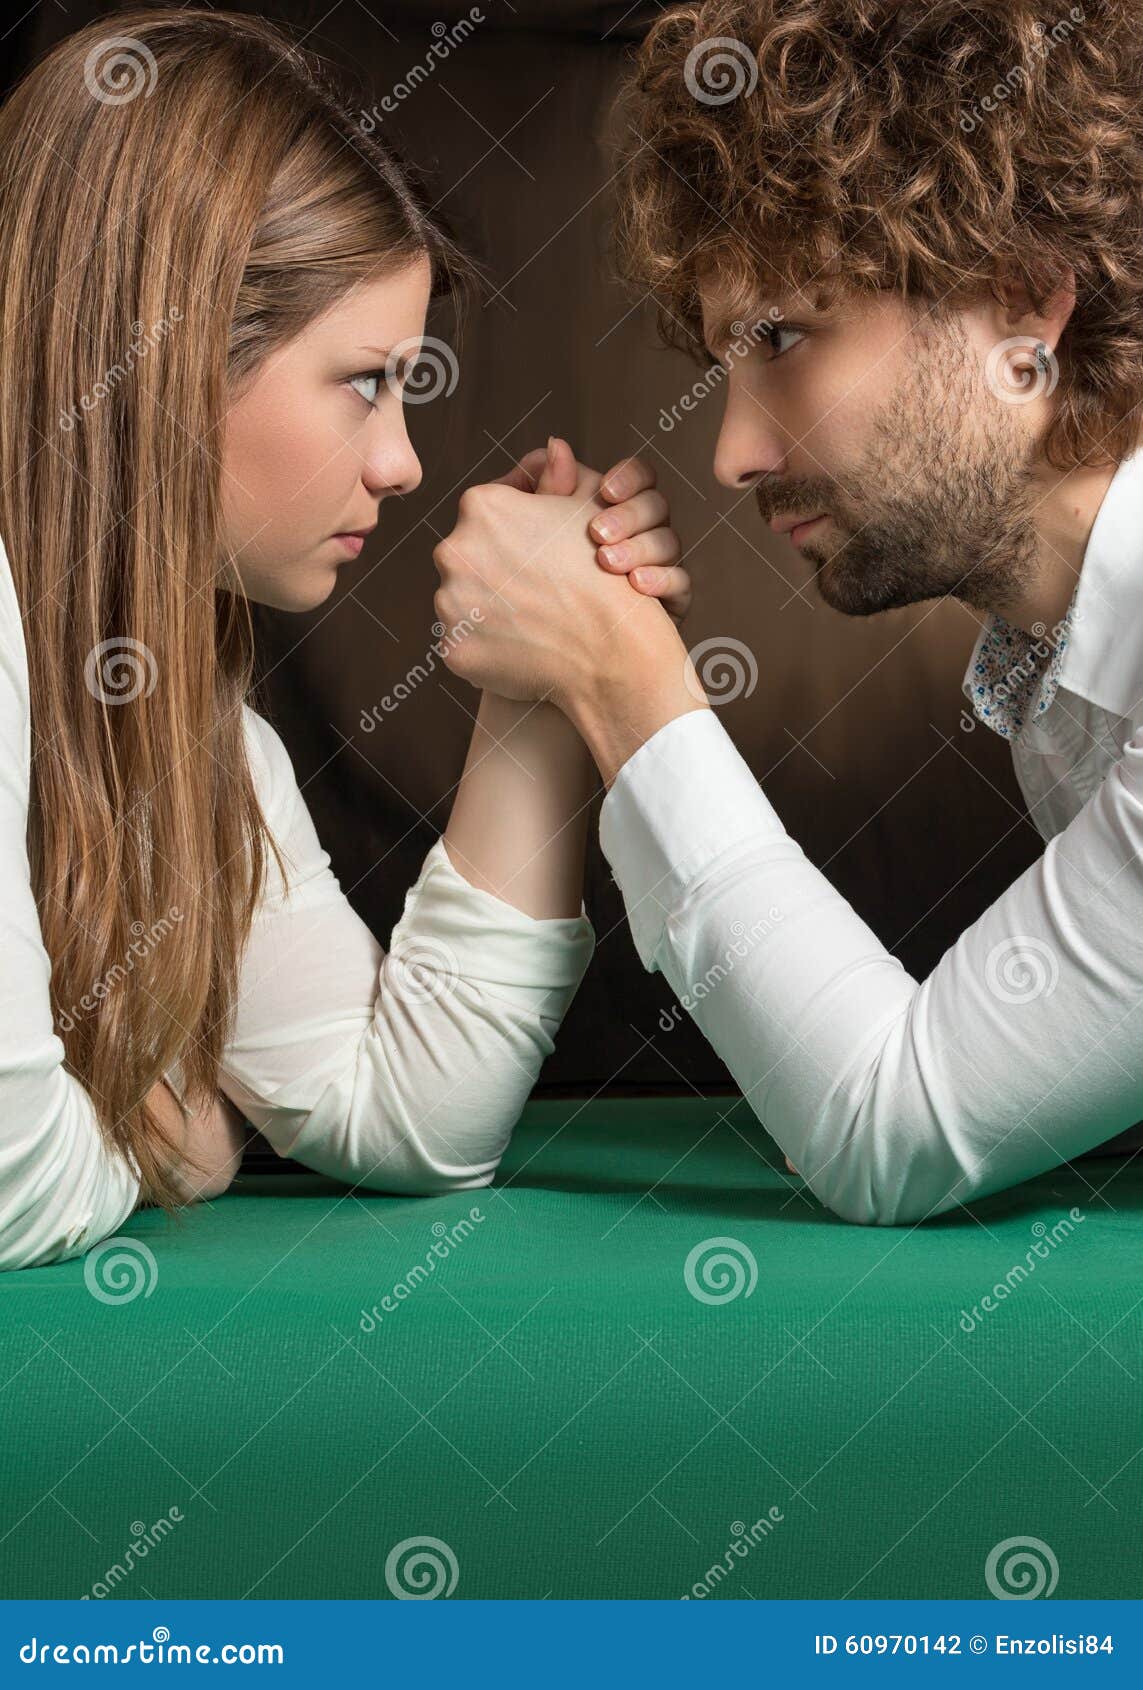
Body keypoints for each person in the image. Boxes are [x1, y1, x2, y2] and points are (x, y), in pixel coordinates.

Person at [430, 0, 1143, 1225]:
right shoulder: (1063, 671)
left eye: (787, 336)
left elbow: (894, 1123)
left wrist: (620, 678)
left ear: (1026, 301)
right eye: (727, 363)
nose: (735, 453)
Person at [0, 7, 688, 1271]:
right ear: (166, 357)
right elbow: (9, 1174)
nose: (401, 459)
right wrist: (174, 1144)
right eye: (364, 380)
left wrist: (540, 690)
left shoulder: (182, 729)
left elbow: (404, 1116)